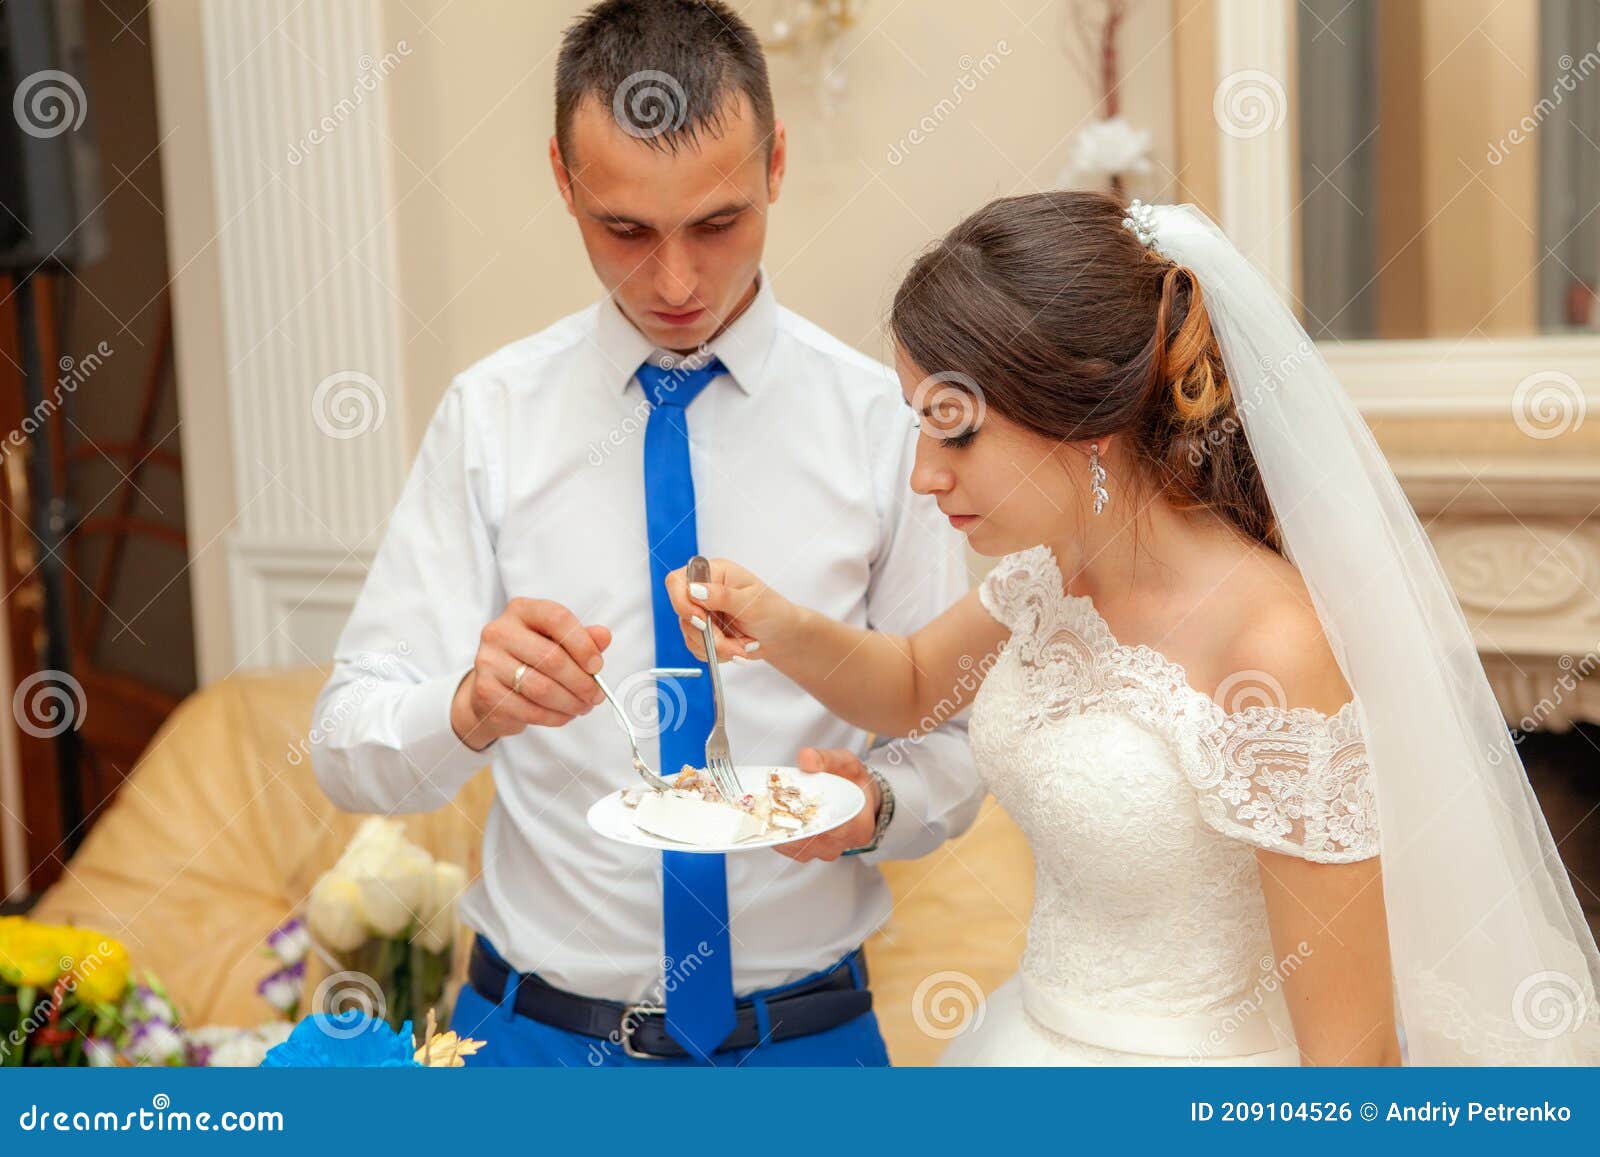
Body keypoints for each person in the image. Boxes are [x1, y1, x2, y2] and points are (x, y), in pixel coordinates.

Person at [667, 191, 1600, 1066]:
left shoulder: (1270, 648)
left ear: (1084, 418)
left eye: (955, 433)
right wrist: (774, 619)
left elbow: (1351, 1060)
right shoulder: (1045, 578)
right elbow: (912, 684)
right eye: (918, 428)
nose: (923, 476)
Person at [310, 0, 983, 1067]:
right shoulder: (490, 417)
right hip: (531, 1047)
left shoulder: (883, 426)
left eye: (716, 224)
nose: (675, 283)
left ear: (775, 164)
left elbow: (949, 745)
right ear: (562, 180)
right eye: (625, 230)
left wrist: (878, 803)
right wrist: (467, 709)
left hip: (805, 1046)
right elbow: (347, 748)